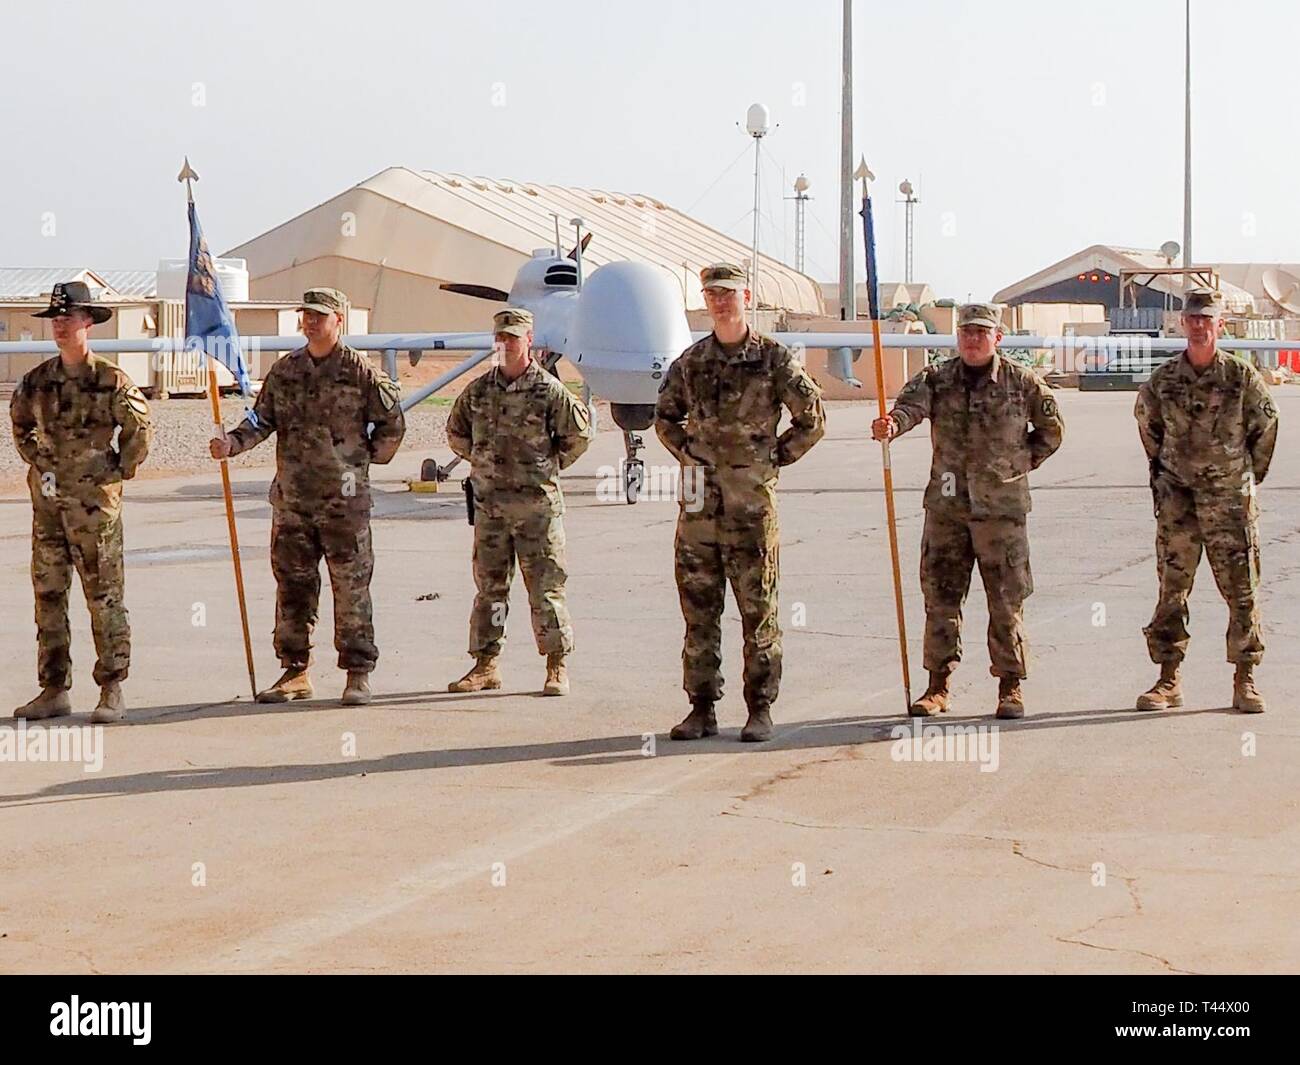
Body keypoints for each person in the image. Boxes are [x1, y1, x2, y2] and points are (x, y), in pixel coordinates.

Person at [655, 262, 825, 742]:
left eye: (728, 293)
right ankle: (701, 707)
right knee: (699, 612)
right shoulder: (691, 363)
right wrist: (688, 454)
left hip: (751, 508)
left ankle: (760, 708)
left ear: (745, 296)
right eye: (712, 295)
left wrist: (773, 459)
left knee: (759, 611)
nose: (721, 301)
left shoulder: (773, 359)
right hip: (698, 511)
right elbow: (665, 417)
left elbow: (812, 418)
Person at [210, 287, 405, 705]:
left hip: (344, 506)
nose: (311, 322)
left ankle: (357, 673)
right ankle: (295, 671)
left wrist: (361, 461)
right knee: (293, 588)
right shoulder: (286, 371)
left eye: (320, 315)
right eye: (306, 315)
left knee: (351, 590)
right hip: (293, 503)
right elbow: (261, 419)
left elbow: (391, 426)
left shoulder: (361, 373)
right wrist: (232, 443)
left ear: (339, 320)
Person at [872, 302, 1064, 719]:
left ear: (998, 337)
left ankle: (1010, 686)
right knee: (940, 598)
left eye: (981, 332)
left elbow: (1051, 431)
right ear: (958, 336)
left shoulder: (1022, 382)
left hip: (1002, 513)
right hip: (948, 510)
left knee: (1006, 600)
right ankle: (937, 686)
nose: (973, 339)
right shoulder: (937, 378)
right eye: (966, 332)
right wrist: (893, 424)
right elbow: (910, 408)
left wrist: (1017, 466)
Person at [10, 281, 152, 723]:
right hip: (49, 508)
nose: (60, 326)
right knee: (49, 595)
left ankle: (112, 688)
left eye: (68, 318)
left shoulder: (110, 380)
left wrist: (114, 471)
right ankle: (53, 688)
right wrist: (41, 461)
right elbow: (20, 426)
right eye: (55, 319)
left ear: (88, 322)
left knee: (104, 597)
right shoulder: (38, 381)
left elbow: (138, 433)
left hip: (95, 511)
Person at [1133, 287, 1279, 713]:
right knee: (1172, 590)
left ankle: (1245, 678)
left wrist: (1245, 477)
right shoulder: (1163, 380)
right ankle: (1167, 677)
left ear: (1219, 325)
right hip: (1179, 502)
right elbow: (1148, 426)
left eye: (1206, 319)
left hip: (1229, 503)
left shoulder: (1241, 377)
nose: (1199, 326)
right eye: (1193, 319)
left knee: (1241, 590)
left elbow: (1265, 428)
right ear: (1184, 324)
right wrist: (1164, 476)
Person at [445, 308, 593, 696]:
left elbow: (577, 436)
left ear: (529, 340)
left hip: (537, 512)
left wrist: (547, 466)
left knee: (546, 589)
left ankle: (556, 665)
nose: (507, 344)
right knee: (490, 590)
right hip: (491, 511)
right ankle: (486, 664)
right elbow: (456, 433)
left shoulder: (549, 391)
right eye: (501, 337)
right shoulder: (478, 391)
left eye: (514, 337)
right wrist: (483, 462)